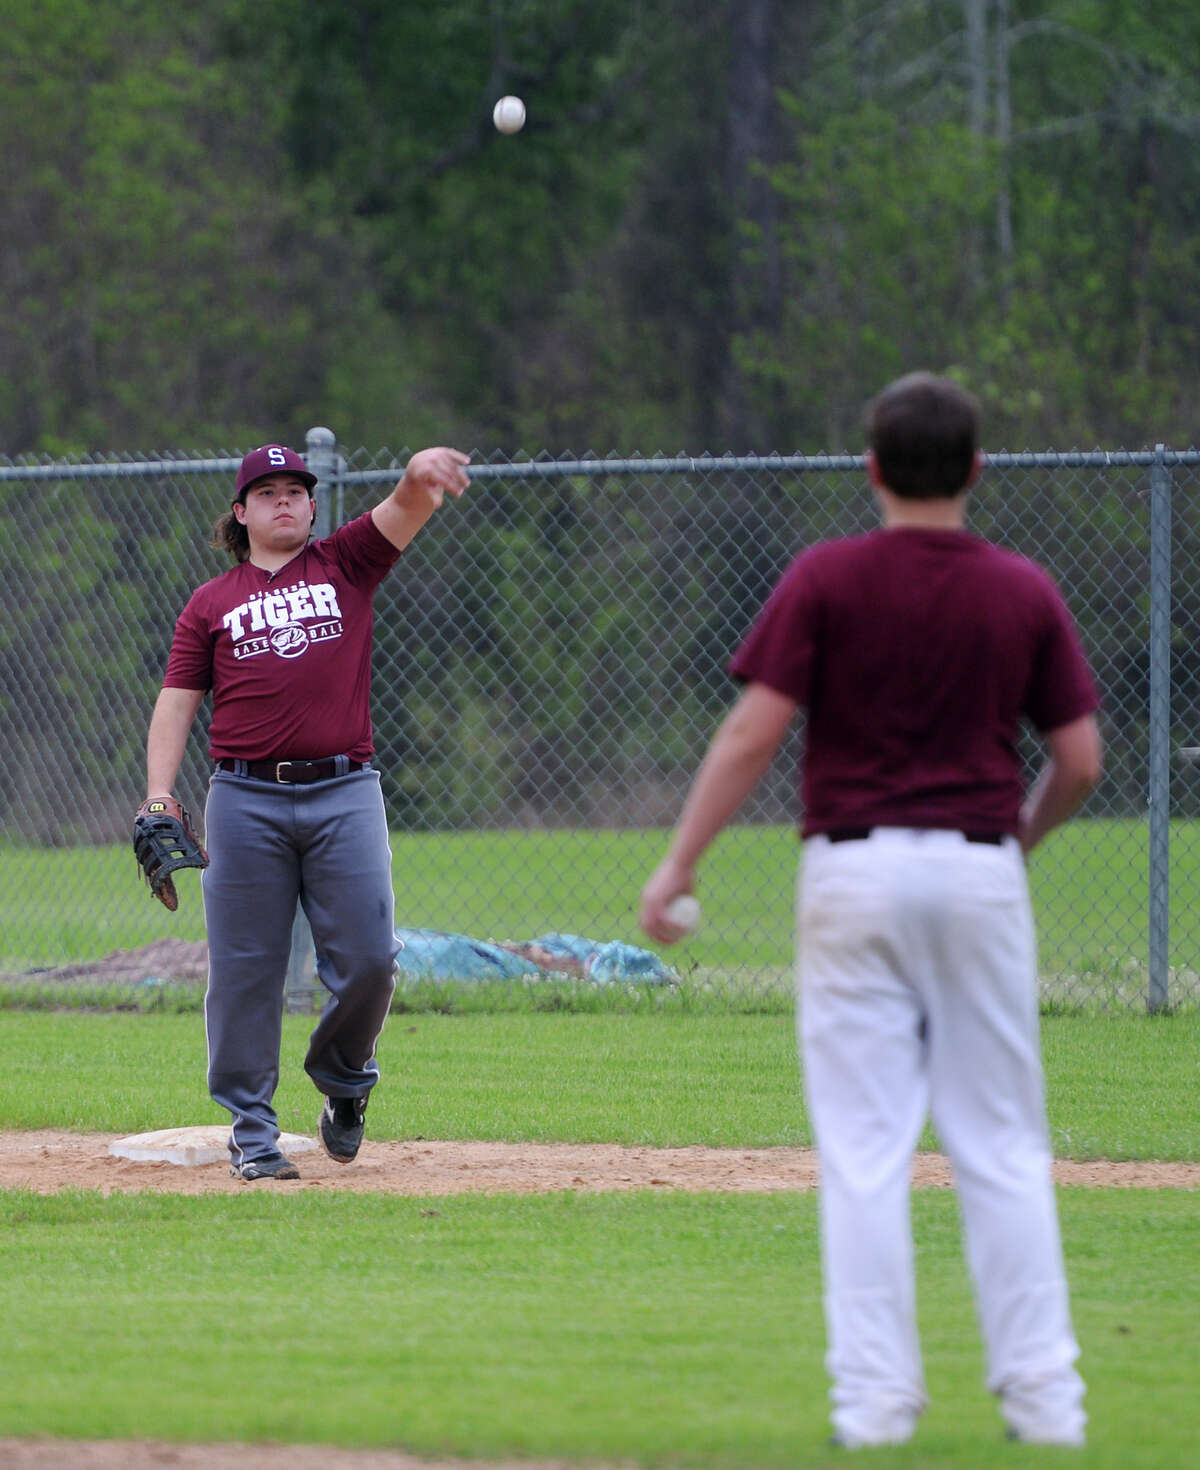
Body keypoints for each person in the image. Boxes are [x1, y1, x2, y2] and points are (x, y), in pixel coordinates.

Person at [640, 373, 1101, 1450]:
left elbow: (752, 733)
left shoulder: (828, 577)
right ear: (978, 470)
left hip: (851, 872)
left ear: (873, 469)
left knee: (862, 1150)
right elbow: (1078, 759)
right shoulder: (1022, 589)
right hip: (982, 867)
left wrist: (678, 865)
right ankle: (1047, 1402)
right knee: (999, 1145)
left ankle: (875, 1403)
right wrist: (1011, 843)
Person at [145, 440, 471, 1182]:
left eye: (296, 488)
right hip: (244, 797)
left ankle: (343, 1079)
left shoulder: (345, 563)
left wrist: (418, 477)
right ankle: (252, 1131)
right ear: (241, 512)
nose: (284, 499)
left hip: (343, 790)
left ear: (314, 505)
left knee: (369, 962)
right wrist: (161, 791)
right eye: (266, 491)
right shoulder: (211, 602)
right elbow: (176, 703)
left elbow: (404, 509)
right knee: (244, 972)